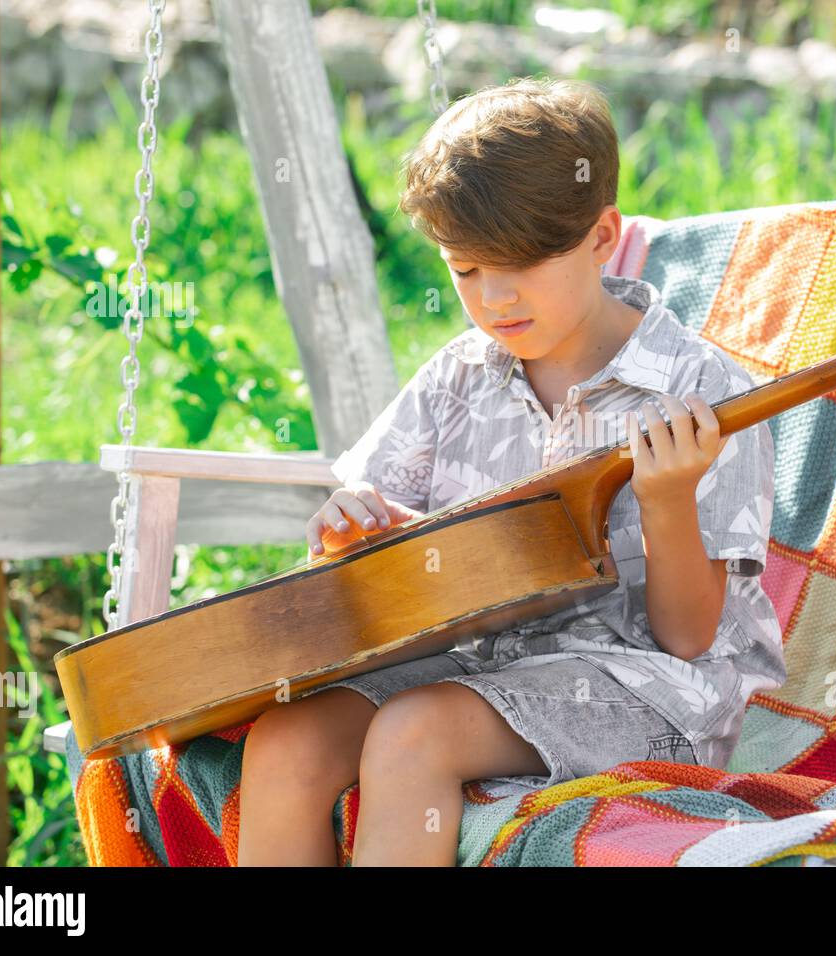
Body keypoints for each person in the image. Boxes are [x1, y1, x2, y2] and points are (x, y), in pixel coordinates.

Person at [237, 76, 783, 867]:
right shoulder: (460, 375)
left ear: (603, 236)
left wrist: (668, 499)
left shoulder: (701, 392)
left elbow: (691, 638)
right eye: (463, 271)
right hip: (481, 666)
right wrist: (357, 523)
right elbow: (388, 533)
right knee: (288, 738)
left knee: (413, 733)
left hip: (647, 693)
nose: (494, 299)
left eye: (522, 266)